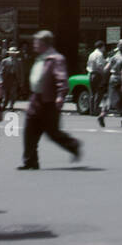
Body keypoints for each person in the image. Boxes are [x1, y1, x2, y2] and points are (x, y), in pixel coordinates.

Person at [19, 30, 82, 169]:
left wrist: (60, 95)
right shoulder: (41, 58)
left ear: (45, 44)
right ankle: (30, 161)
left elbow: (61, 78)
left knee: (52, 132)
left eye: (37, 42)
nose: (34, 45)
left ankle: (73, 145)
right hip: (36, 98)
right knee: (29, 130)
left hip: (49, 101)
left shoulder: (56, 59)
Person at [101, 39, 122, 127]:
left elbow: (106, 68)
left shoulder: (114, 57)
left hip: (113, 78)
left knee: (110, 98)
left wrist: (105, 80)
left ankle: (102, 115)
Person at [86, 41, 109, 123]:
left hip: (91, 74)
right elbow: (100, 65)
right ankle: (96, 110)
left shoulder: (91, 54)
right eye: (104, 47)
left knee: (92, 93)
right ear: (101, 46)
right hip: (97, 74)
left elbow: (88, 64)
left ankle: (91, 110)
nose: (104, 48)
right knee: (99, 92)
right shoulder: (99, 54)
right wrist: (103, 74)